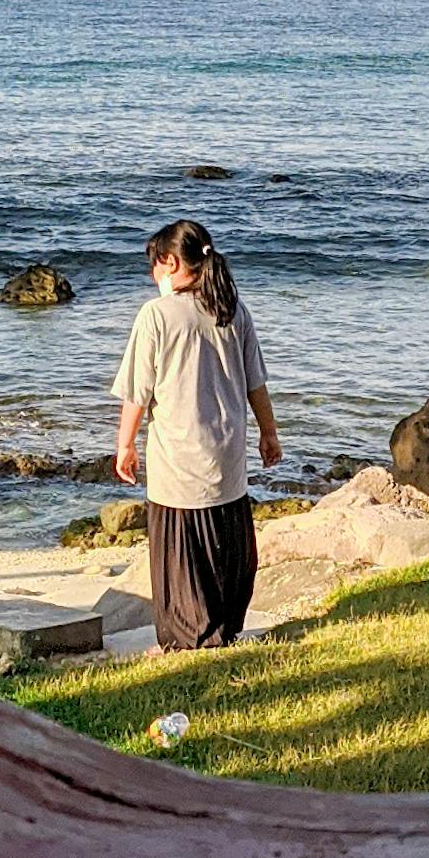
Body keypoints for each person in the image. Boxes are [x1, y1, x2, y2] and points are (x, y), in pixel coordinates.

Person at [111, 217, 281, 651]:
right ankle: (226, 624)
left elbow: (137, 393)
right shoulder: (233, 310)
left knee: (182, 547)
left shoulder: (156, 315)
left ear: (170, 263)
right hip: (227, 452)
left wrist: (125, 445)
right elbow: (256, 383)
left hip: (179, 456)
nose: (153, 275)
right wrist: (269, 433)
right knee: (226, 542)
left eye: (154, 265)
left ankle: (190, 635)